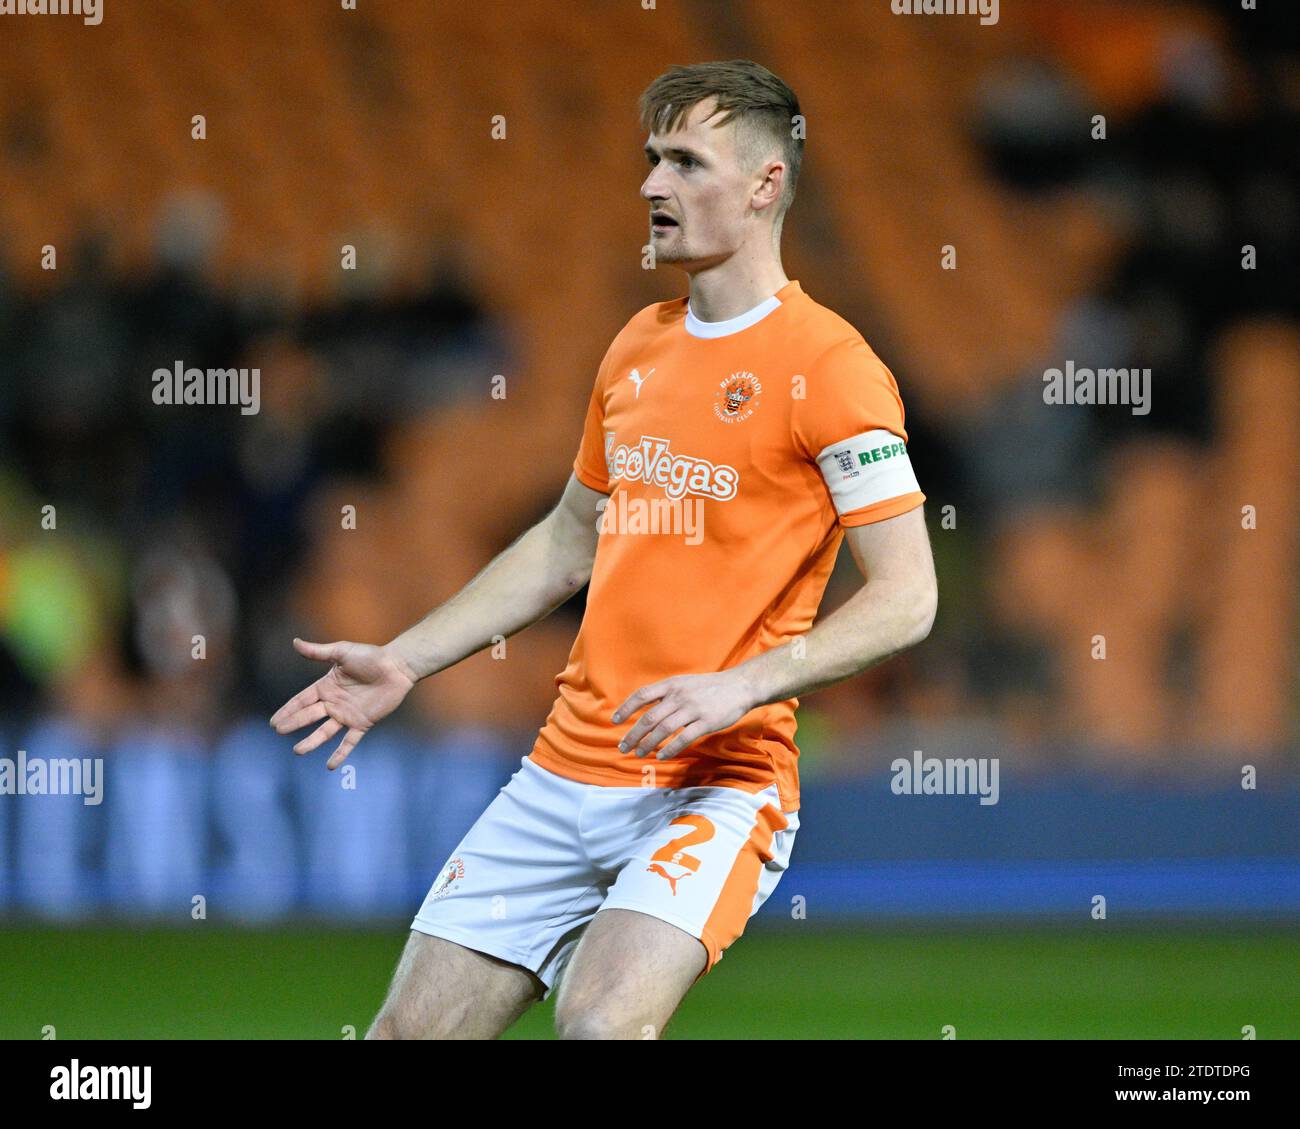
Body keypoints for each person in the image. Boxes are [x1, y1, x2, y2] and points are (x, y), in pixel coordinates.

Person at [270, 59, 937, 1040]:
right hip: (562, 771)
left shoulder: (833, 369)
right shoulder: (637, 347)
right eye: (650, 159)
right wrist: (405, 658)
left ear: (765, 185)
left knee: (599, 1028)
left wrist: (744, 683)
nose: (651, 186)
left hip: (717, 781)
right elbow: (564, 543)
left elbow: (908, 597)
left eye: (684, 163)